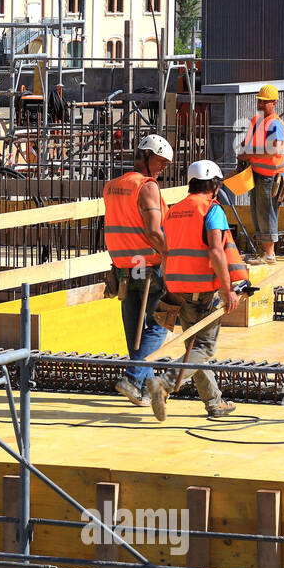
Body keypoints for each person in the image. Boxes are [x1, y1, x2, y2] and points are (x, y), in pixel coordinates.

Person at [144, 159, 248, 422]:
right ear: (213, 184)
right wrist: (228, 290)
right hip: (203, 289)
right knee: (204, 348)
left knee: (194, 347)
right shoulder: (212, 210)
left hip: (179, 288)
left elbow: (167, 250)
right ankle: (164, 384)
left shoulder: (175, 211)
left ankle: (214, 402)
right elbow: (215, 251)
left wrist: (169, 285)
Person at [102, 133, 172, 408]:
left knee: (135, 335)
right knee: (160, 324)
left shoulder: (111, 186)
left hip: (123, 270)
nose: (164, 166)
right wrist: (172, 254)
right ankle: (132, 378)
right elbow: (153, 231)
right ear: (145, 156)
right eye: (160, 160)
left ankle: (143, 390)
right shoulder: (147, 186)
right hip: (149, 267)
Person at [237, 83, 284, 264]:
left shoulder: (275, 124)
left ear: (274, 103)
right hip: (256, 173)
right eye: (259, 101)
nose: (260, 104)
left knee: (266, 213)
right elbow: (247, 141)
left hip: (269, 177)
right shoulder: (257, 120)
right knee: (257, 213)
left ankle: (269, 254)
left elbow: (274, 149)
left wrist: (248, 153)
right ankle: (264, 252)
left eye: (264, 102)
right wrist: (244, 150)